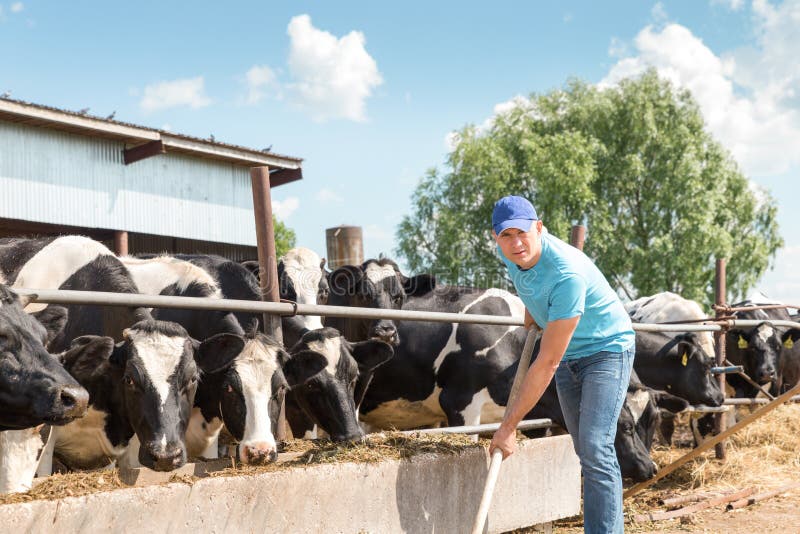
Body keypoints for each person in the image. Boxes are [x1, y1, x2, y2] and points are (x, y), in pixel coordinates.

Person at [488, 195, 635, 534]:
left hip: (606, 349)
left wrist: (508, 428)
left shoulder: (566, 274)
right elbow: (526, 281)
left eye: (522, 233)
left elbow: (547, 362)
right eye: (505, 235)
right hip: (570, 354)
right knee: (584, 448)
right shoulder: (511, 253)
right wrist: (534, 311)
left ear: (539, 228)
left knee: (597, 448)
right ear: (496, 237)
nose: (515, 242)